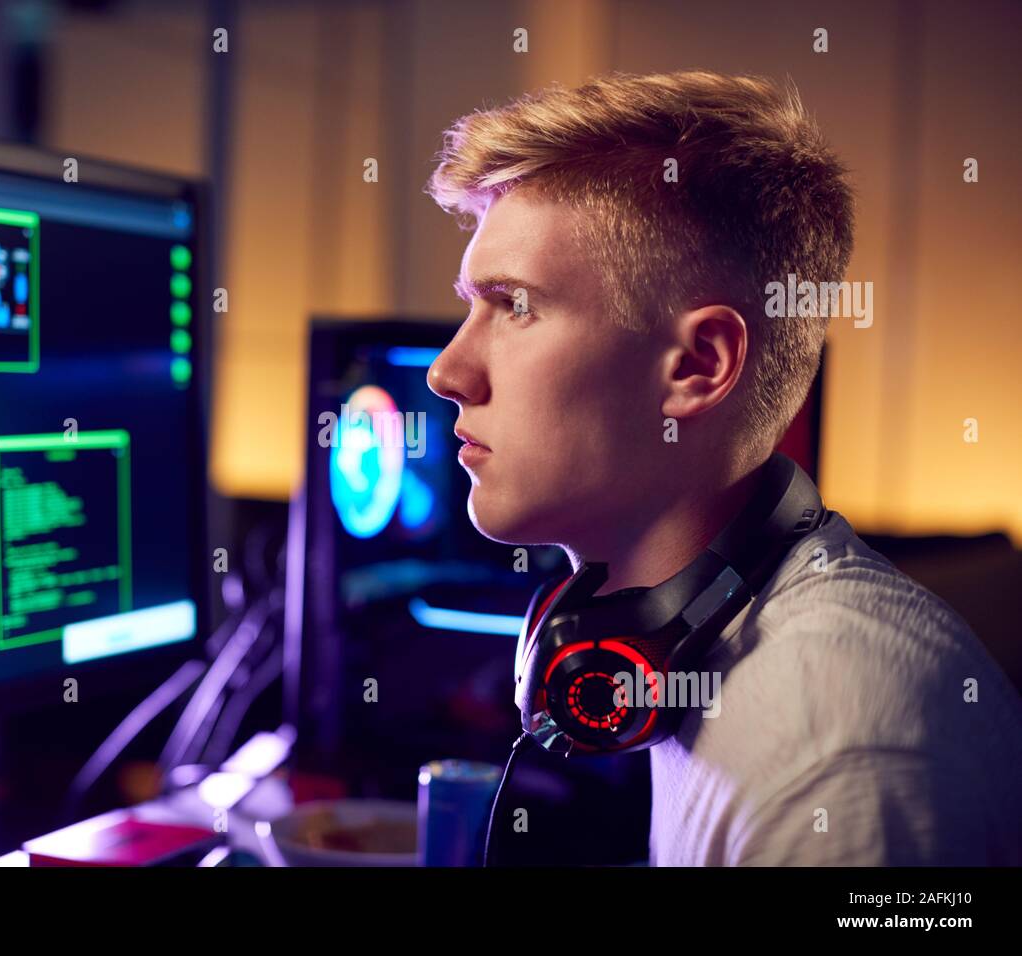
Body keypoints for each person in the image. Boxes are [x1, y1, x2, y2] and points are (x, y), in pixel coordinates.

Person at [425, 71, 1022, 865]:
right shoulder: (695, 646)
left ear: (698, 365)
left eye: (517, 305)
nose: (447, 371)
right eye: (472, 304)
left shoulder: (835, 751)